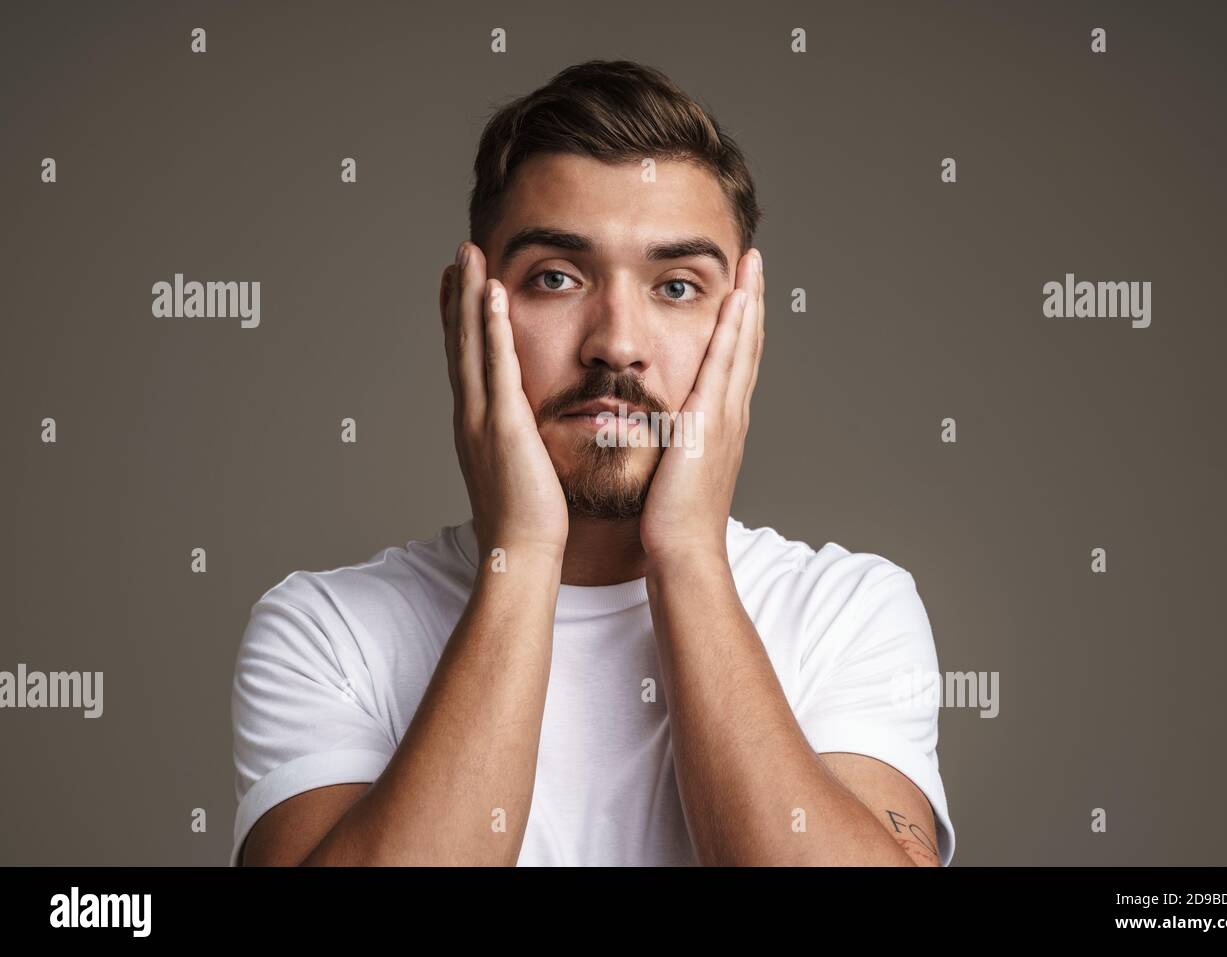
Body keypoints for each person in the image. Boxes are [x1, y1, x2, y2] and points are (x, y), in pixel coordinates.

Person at [230, 59, 955, 867]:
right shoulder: (329, 632)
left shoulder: (848, 612)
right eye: (556, 277)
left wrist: (687, 554)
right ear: (466, 315)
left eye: (676, 287)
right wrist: (525, 552)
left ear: (743, 328)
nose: (616, 342)